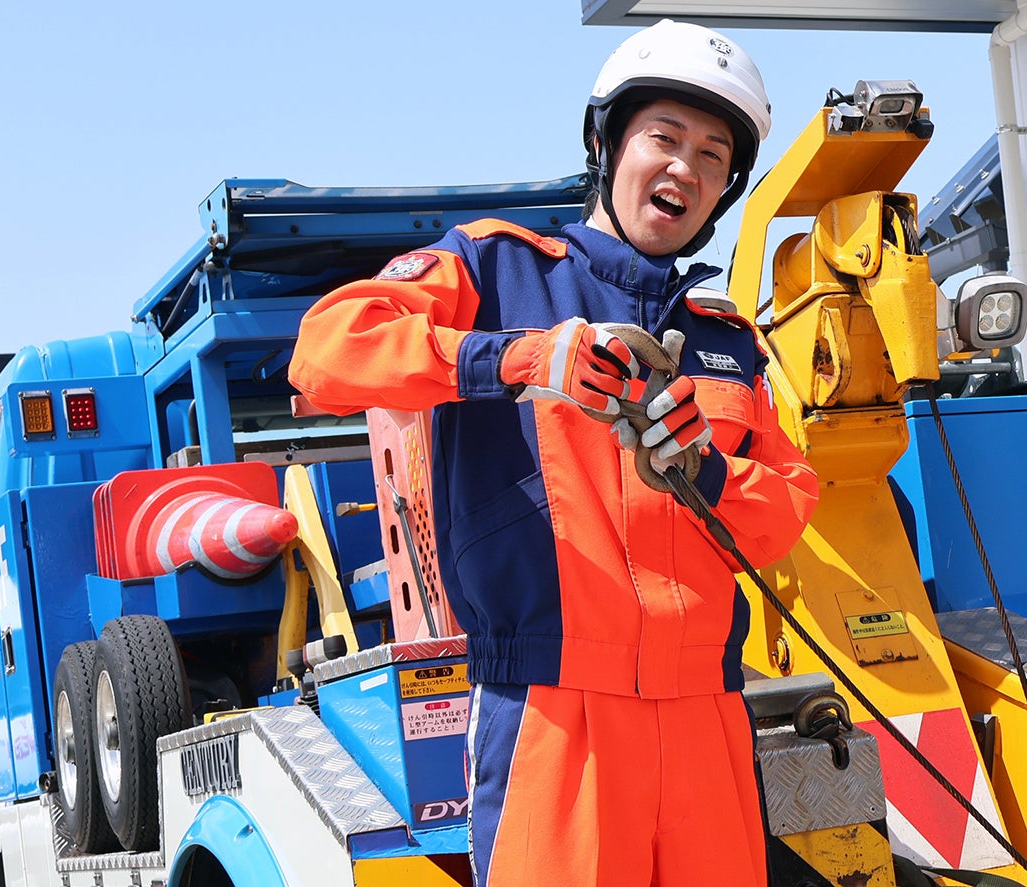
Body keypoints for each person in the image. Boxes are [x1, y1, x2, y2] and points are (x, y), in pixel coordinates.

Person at [289, 19, 817, 887]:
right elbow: (327, 346)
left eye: (714, 155)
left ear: (726, 190)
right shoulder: (497, 269)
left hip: (707, 719)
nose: (686, 167)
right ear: (607, 144)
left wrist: (706, 469)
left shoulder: (727, 341)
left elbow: (785, 510)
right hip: (554, 708)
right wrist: (517, 358)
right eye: (665, 138)